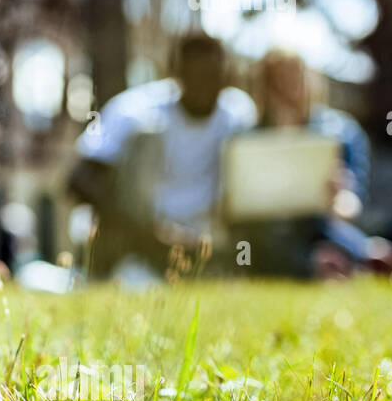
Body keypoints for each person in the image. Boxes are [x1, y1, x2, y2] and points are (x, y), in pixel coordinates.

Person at [67, 33, 257, 276]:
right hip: (140, 239)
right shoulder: (135, 110)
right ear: (176, 73)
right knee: (148, 134)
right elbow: (79, 181)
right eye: (195, 76)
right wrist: (150, 232)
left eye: (212, 78)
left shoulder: (238, 115)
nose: (204, 88)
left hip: (208, 241)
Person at [233, 48, 392, 277]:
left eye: (295, 80)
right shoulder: (247, 140)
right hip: (270, 234)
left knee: (352, 243)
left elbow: (351, 206)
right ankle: (321, 264)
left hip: (323, 226)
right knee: (266, 239)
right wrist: (283, 136)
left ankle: (361, 258)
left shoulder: (340, 132)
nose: (289, 92)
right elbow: (239, 211)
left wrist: (338, 197)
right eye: (278, 83)